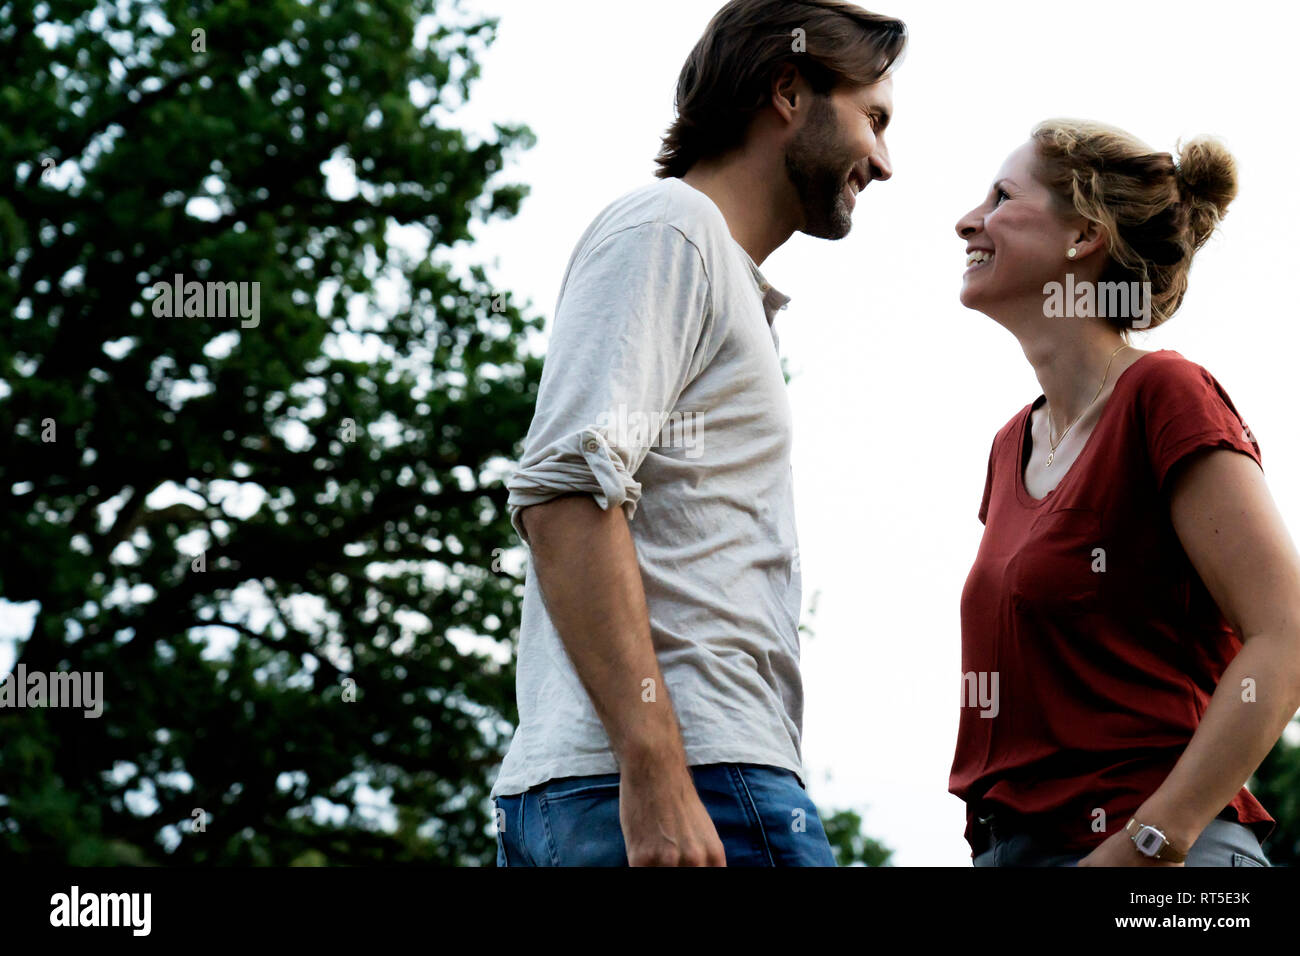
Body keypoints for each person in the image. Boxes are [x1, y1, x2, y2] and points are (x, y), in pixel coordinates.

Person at [490, 0, 905, 866]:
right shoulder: (670, 230)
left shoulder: (707, 260)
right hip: (694, 783)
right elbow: (565, 493)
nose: (885, 162)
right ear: (788, 89)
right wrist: (657, 772)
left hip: (655, 784)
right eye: (874, 119)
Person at [949, 119, 1300, 866]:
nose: (967, 220)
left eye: (1001, 196)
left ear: (1083, 236)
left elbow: (1288, 637)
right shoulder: (1010, 444)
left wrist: (1150, 842)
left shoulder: (1164, 394)